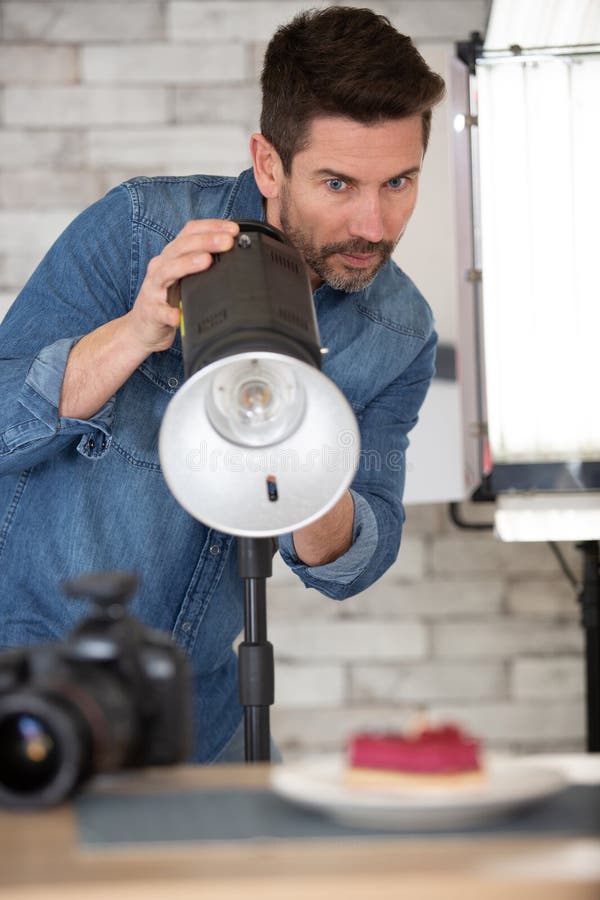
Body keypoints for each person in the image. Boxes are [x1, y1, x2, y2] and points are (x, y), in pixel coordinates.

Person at [0, 7, 445, 762]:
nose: (374, 223)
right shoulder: (141, 231)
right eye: (338, 183)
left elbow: (354, 562)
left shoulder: (398, 329)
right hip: (32, 694)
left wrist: (311, 456)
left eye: (398, 182)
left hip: (198, 723)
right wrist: (137, 330)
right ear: (268, 163)